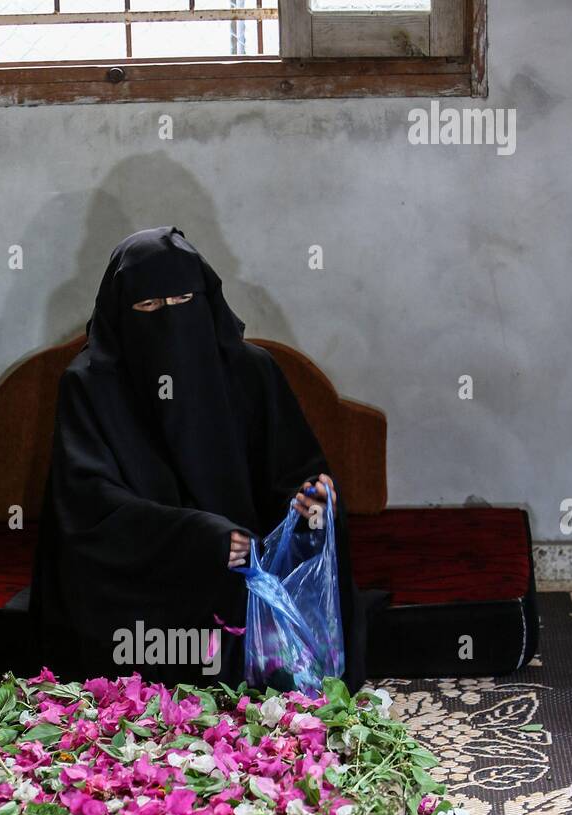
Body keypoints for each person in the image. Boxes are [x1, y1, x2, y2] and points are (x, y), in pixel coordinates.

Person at [30, 226, 366, 689]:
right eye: (147, 307)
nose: (167, 319)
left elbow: (295, 472)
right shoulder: (91, 383)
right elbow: (87, 505)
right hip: (146, 582)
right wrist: (200, 539)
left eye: (183, 301)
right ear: (119, 313)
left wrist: (309, 505)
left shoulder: (251, 373)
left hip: (250, 563)